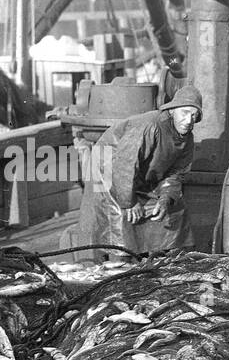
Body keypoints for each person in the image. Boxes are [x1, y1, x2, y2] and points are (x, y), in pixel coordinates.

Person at [78, 86, 202, 255]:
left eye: (194, 116)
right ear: (172, 111)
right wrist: (129, 202)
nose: (189, 120)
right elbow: (124, 165)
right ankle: (119, 262)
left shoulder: (187, 139)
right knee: (120, 220)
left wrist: (165, 198)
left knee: (174, 212)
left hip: (139, 173)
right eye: (185, 112)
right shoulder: (149, 126)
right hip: (107, 165)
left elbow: (176, 173)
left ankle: (162, 259)